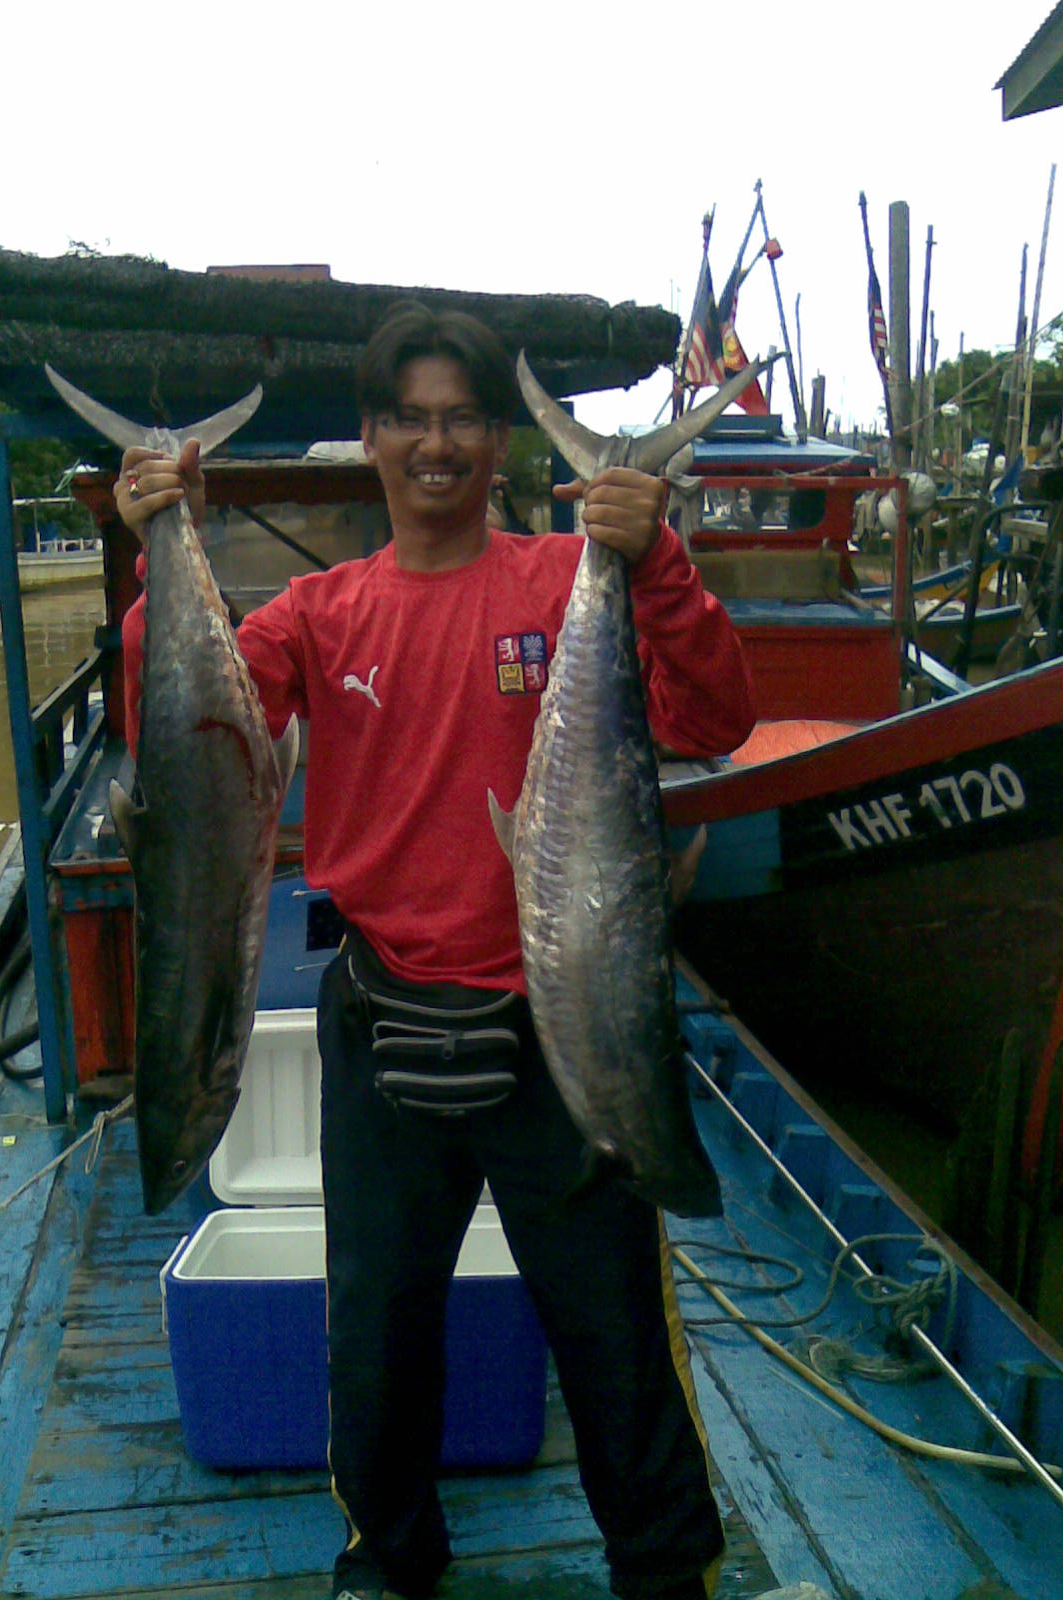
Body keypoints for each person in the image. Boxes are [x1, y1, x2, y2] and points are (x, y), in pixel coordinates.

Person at [114, 300, 756, 1600]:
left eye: (461, 414)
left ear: (501, 443)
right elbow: (196, 732)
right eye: (407, 416)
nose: (435, 440)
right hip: (382, 1026)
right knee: (379, 1344)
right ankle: (388, 1558)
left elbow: (715, 713)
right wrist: (153, 557)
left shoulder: (555, 583)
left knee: (615, 1337)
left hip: (556, 1023)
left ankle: (666, 1569)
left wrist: (660, 560)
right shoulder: (320, 613)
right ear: (371, 439)